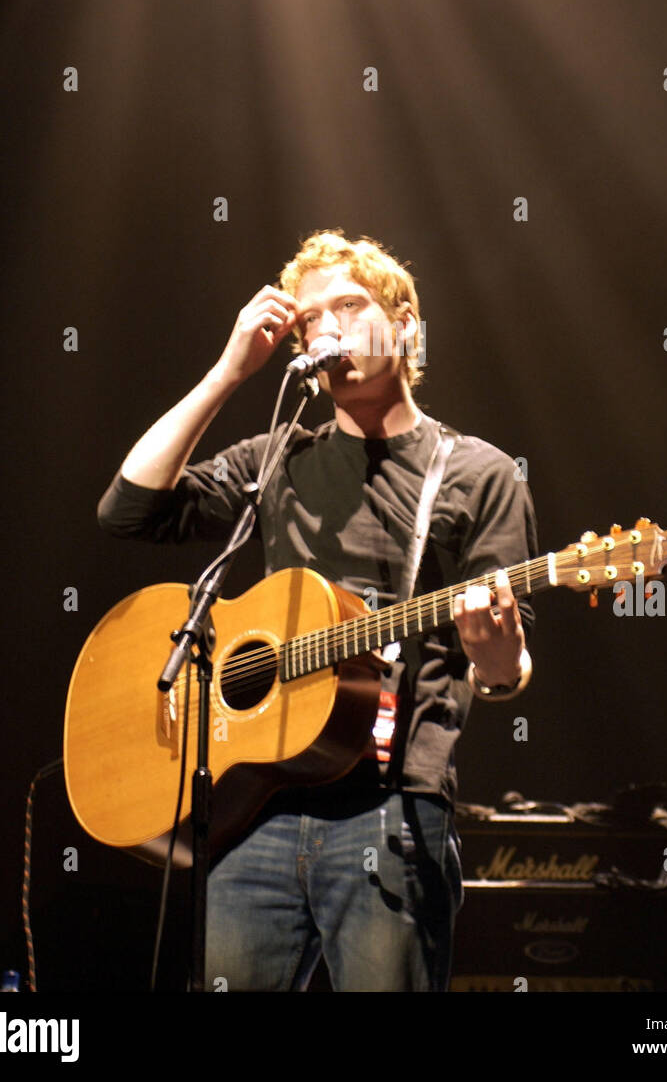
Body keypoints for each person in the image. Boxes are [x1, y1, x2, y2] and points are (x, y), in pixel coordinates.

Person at [97, 230, 537, 991]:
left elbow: (506, 669)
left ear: (405, 323)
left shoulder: (476, 473)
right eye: (309, 322)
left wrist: (495, 657)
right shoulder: (277, 458)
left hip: (390, 808)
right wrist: (231, 372)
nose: (325, 331)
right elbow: (127, 509)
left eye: (348, 307)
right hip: (256, 804)